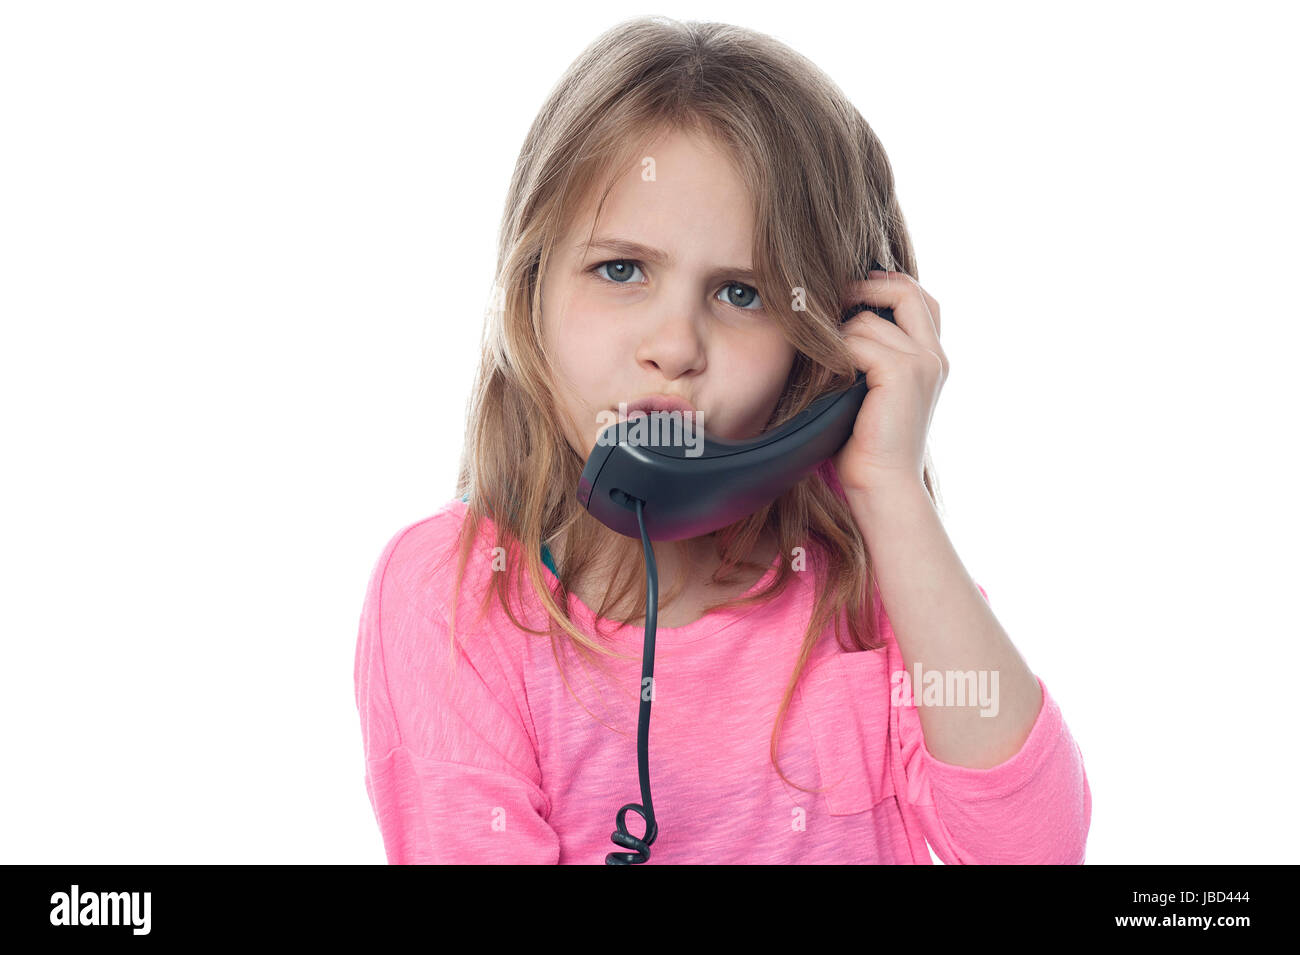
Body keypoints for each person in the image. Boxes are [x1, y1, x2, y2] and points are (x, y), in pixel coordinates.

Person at [353, 15, 1091, 864]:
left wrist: (891, 490)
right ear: (532, 294)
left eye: (742, 293)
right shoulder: (451, 598)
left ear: (835, 346)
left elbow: (1032, 851)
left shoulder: (871, 589)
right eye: (621, 269)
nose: (674, 345)